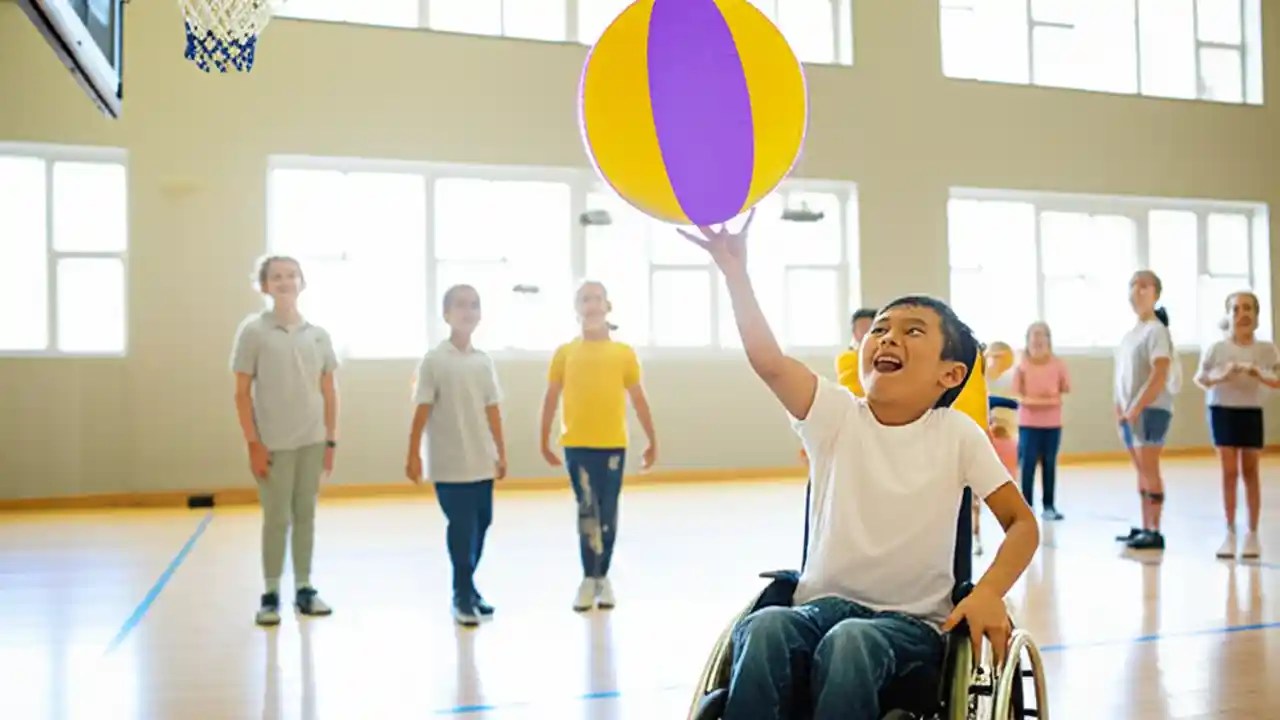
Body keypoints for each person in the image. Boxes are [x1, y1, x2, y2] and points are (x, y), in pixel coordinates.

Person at [677, 214, 1038, 720]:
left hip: (912, 628)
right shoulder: (836, 416)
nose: (888, 339)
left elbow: (1022, 524)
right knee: (763, 627)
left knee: (851, 642)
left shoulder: (957, 435)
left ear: (950, 374)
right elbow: (772, 363)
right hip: (818, 610)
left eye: (912, 332)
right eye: (881, 330)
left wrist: (988, 592)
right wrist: (736, 274)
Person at [231, 255, 339, 627]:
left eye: (291, 275)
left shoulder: (318, 335)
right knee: (276, 518)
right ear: (264, 285)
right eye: (276, 276)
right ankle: (271, 592)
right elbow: (242, 393)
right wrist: (253, 443)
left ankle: (305, 588)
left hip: (311, 439)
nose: (284, 281)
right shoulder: (253, 332)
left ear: (302, 283)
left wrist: (330, 441)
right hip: (273, 442)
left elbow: (329, 390)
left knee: (305, 514)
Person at [539, 281, 658, 612]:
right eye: (584, 299)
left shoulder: (623, 353)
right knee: (586, 510)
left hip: (612, 447)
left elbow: (638, 398)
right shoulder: (565, 353)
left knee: (607, 512)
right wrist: (544, 438)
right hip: (577, 446)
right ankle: (587, 578)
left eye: (596, 298)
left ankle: (603, 577)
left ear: (608, 306)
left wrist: (651, 439)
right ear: (576, 308)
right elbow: (551, 397)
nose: (591, 305)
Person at [406, 284, 507, 626]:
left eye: (474, 305)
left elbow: (492, 409)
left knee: (483, 524)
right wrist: (413, 453)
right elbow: (421, 408)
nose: (468, 311)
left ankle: (469, 587)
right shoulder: (434, 361)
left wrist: (500, 451)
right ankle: (461, 594)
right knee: (461, 527)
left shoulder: (483, 362)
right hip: (449, 463)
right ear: (446, 314)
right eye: (461, 305)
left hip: (481, 460)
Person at [1195, 291, 1278, 559]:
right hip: (1222, 411)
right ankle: (1229, 532)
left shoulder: (1266, 349)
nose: (1242, 314)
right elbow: (1201, 378)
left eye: (1248, 309)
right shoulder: (1217, 348)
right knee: (1229, 473)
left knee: (1250, 472)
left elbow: (1277, 379)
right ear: (1228, 315)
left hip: (1250, 411)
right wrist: (1222, 375)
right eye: (1236, 309)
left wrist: (1259, 373)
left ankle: (1252, 534)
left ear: (1256, 315)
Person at [1114, 270, 1179, 551]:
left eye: (1144, 286)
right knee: (1140, 469)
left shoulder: (1156, 331)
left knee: (1150, 467)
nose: (1137, 291)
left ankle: (1155, 530)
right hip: (1130, 413)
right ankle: (1143, 526)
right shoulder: (1132, 334)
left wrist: (1137, 406)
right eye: (1133, 286)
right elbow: (1123, 377)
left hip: (1151, 409)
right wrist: (1121, 408)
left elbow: (1159, 373)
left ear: (1155, 293)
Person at [1012, 322, 1070, 520]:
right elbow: (1017, 395)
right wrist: (1039, 400)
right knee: (1027, 465)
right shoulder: (1022, 366)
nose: (1037, 340)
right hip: (1028, 423)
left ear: (1049, 340)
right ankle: (1026, 507)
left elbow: (1066, 388)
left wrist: (1046, 399)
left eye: (1042, 335)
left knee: (1049, 464)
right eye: (1033, 336)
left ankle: (1049, 506)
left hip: (1052, 423)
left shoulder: (1058, 364)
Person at [836, 308, 878, 396]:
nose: (864, 333)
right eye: (861, 329)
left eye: (869, 329)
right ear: (854, 333)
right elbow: (851, 391)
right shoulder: (846, 358)